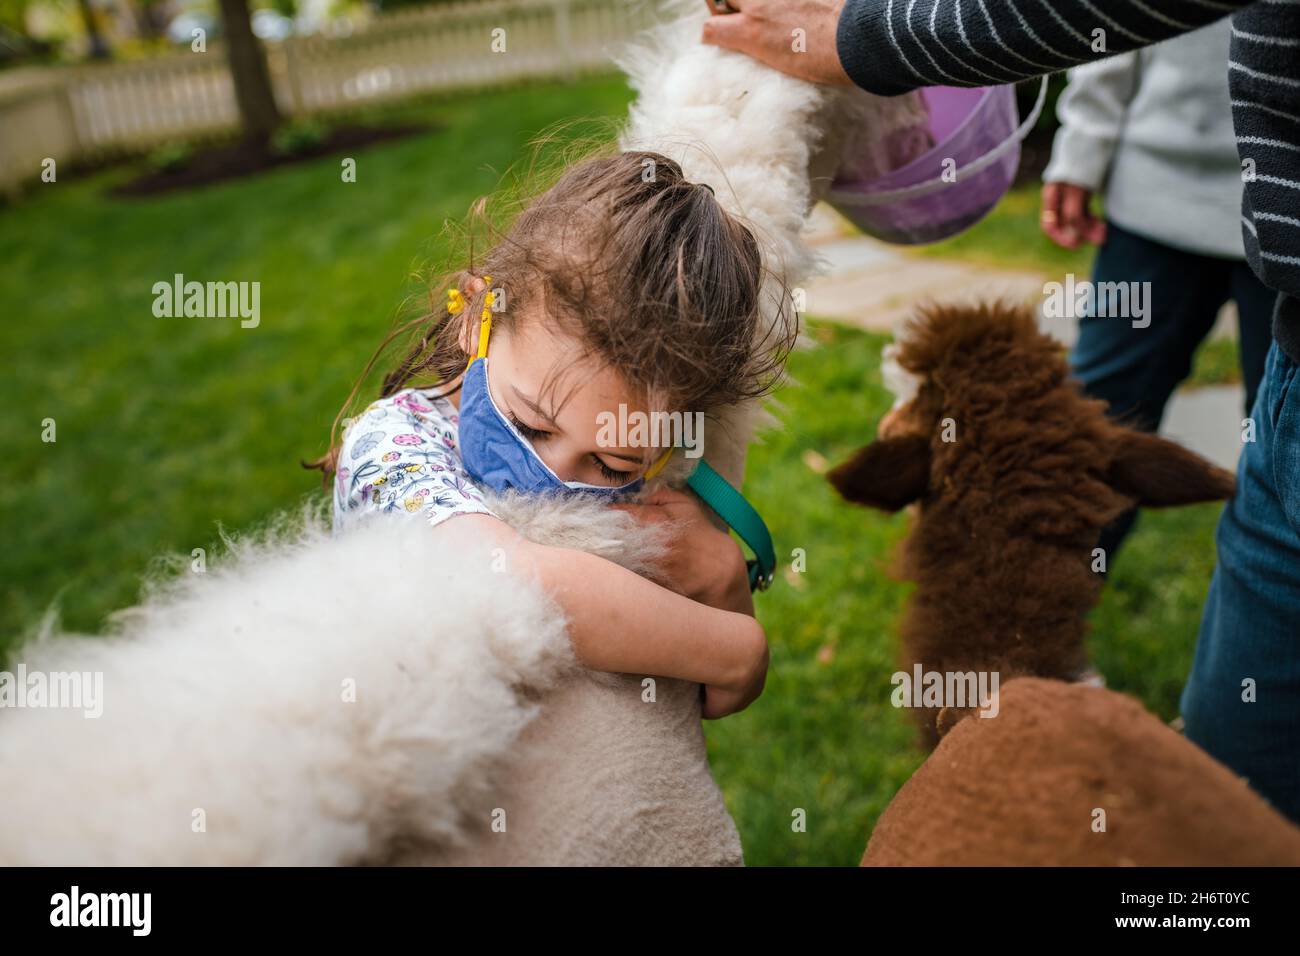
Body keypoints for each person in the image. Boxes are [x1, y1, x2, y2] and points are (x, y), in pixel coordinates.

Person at [701, 0, 1300, 822]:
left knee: (1234, 793)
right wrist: (1084, 150)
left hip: (1272, 245)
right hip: (1184, 202)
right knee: (1235, 791)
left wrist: (861, 37)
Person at [311, 151, 793, 719]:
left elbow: (699, 708)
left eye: (612, 464)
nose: (553, 476)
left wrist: (721, 576)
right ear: (475, 317)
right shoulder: (392, 448)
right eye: (530, 424)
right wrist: (736, 648)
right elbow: (503, 578)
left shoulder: (664, 478)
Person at [1040, 20, 1276, 559]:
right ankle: (1039, 616)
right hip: (1153, 197)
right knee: (1094, 426)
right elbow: (1105, 14)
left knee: (1285, 450)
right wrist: (1083, 144)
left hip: (1289, 221)